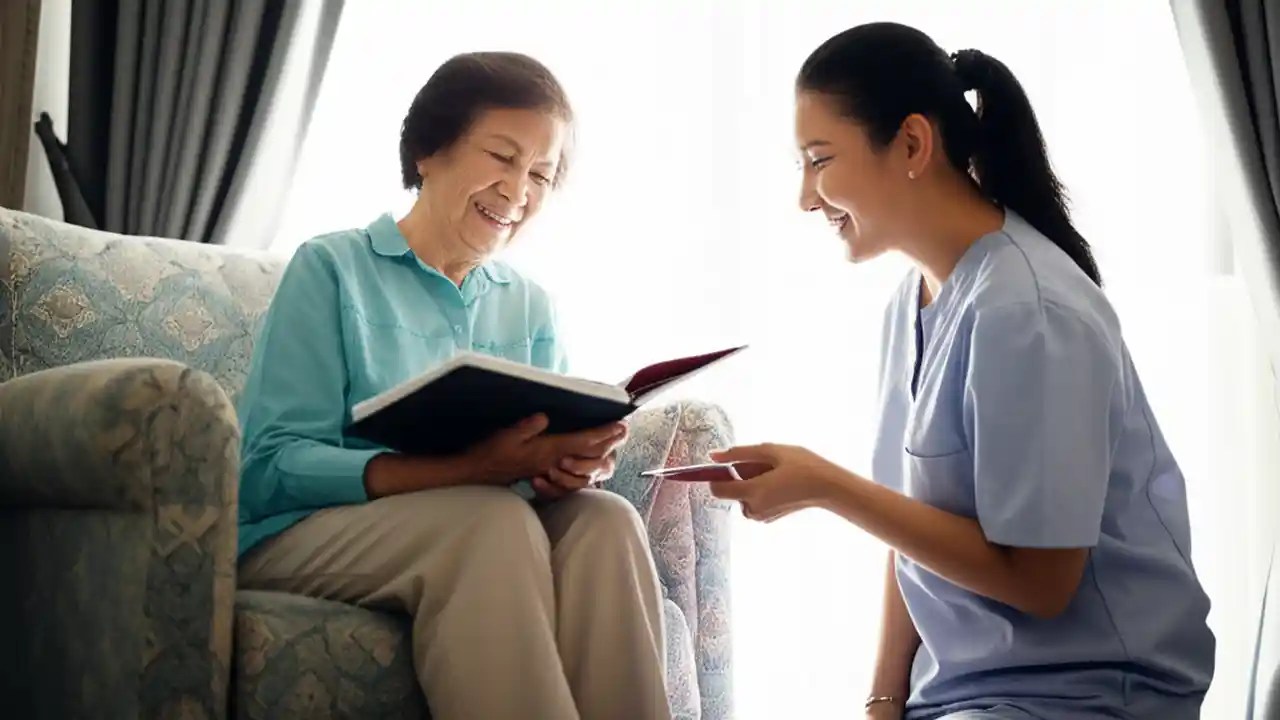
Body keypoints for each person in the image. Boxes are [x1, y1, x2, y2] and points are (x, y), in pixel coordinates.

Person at [709, 22, 1215, 720]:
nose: (805, 196)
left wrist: (825, 485)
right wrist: (883, 700)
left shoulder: (1027, 310)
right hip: (962, 695)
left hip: (1088, 696)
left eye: (820, 160)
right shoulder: (914, 299)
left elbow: (1041, 584)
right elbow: (913, 532)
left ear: (913, 144)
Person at [235, 52, 671, 720]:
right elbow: (273, 465)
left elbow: (527, 476)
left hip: (475, 516)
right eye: (501, 156)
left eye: (541, 175)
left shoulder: (530, 305)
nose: (518, 190)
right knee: (486, 522)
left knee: (604, 522)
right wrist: (464, 469)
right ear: (428, 152)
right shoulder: (331, 268)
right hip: (302, 531)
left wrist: (564, 465)